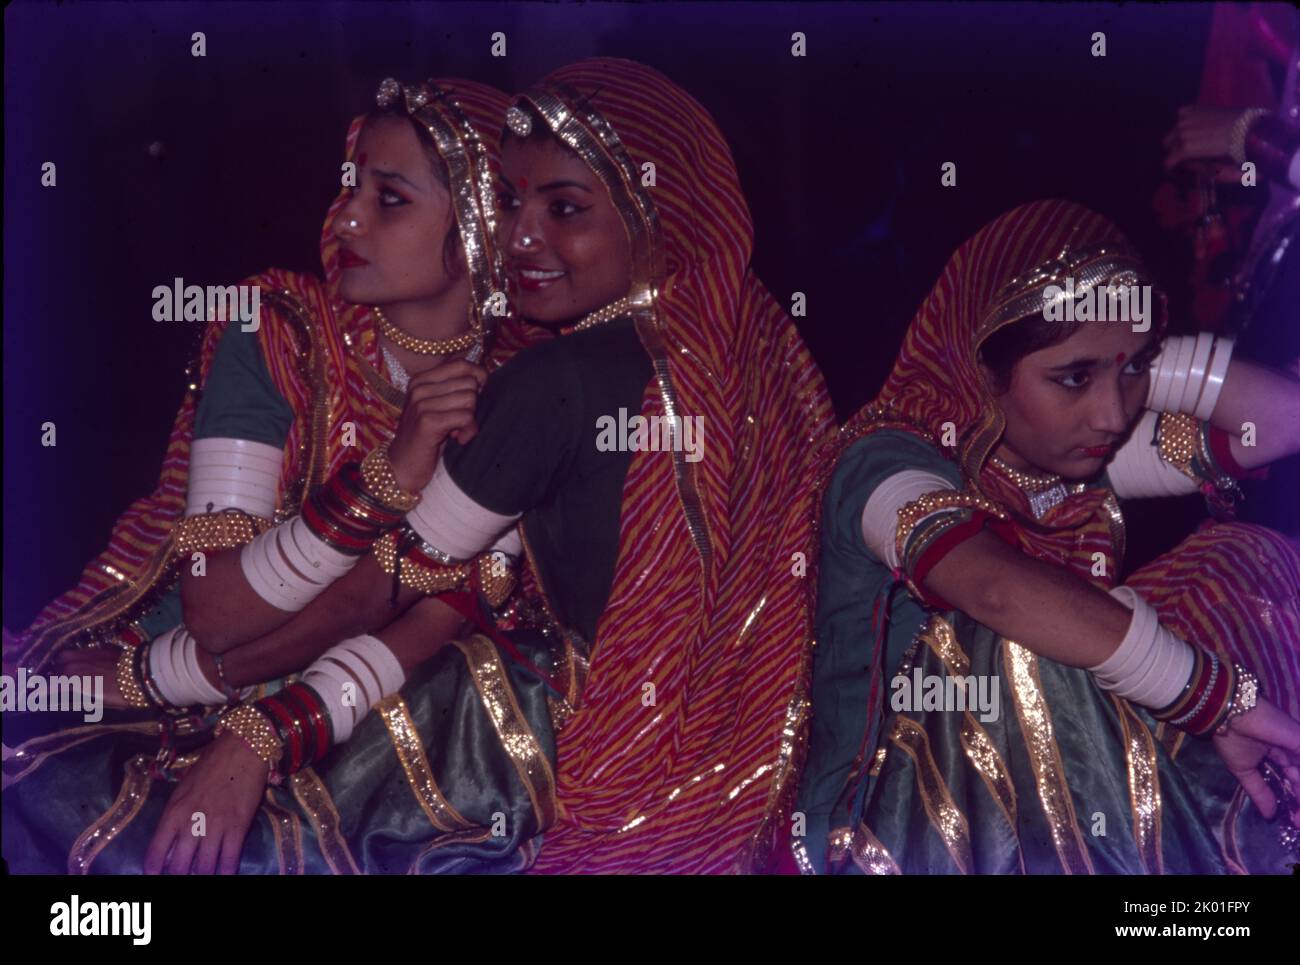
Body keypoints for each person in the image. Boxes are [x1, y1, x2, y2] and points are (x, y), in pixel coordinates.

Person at [3, 76, 553, 874]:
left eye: (389, 198)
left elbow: (430, 621)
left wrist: (258, 736)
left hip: (344, 700)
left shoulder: (523, 389)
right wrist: (393, 471)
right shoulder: (277, 327)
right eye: (352, 186)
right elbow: (217, 608)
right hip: (149, 672)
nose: (348, 218)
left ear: (481, 227)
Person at [391, 57, 835, 874]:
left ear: (653, 215)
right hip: (763, 788)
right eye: (512, 198)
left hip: (597, 778)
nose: (521, 236)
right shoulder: (763, 348)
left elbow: (391, 584)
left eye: (565, 208)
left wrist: (223, 700)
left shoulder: (550, 382)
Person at [790, 199, 1300, 874]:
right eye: (1073, 378)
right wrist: (1212, 696)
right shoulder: (887, 465)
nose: (1113, 411)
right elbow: (997, 589)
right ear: (982, 370)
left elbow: (1282, 422)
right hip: (879, 835)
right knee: (1019, 648)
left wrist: (1137, 351)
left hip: (1041, 806)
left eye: (1130, 373)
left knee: (1241, 560)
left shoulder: (1072, 451)